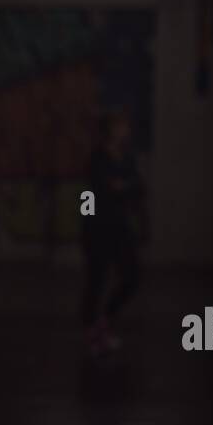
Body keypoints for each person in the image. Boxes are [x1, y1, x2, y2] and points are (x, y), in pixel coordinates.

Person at [81, 110, 146, 356]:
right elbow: (107, 189)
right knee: (96, 280)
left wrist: (123, 187)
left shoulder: (127, 158)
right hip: (97, 229)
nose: (125, 130)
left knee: (132, 275)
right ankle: (92, 330)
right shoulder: (98, 157)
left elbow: (137, 188)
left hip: (120, 227)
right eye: (120, 125)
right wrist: (121, 187)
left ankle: (105, 319)